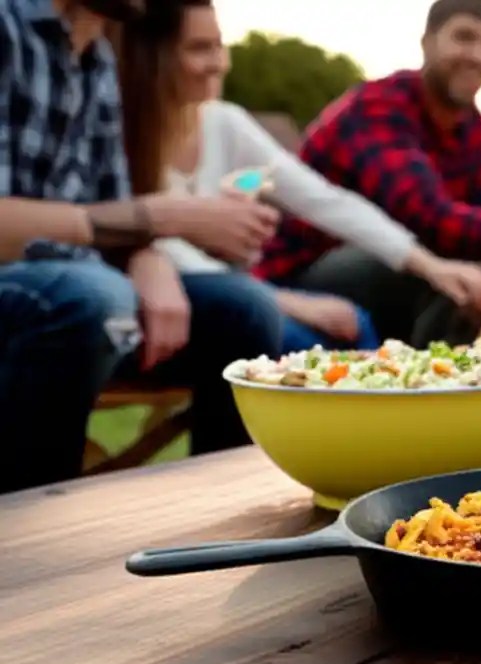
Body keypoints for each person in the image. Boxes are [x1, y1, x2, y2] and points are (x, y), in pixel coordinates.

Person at [0, 0, 282, 491]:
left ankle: (214, 527)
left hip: (85, 294)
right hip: (44, 296)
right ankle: (29, 539)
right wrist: (164, 216)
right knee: (91, 296)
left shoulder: (97, 60)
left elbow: (114, 211)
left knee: (245, 307)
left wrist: (147, 257)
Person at [112, 0, 481, 353]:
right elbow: (157, 246)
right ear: (152, 54)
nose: (221, 62)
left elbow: (324, 200)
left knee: (353, 323)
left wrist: (431, 265)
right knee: (288, 336)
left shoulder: (223, 122)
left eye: (219, 44)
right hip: (162, 302)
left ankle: (383, 424)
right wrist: (287, 301)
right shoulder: (117, 133)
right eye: (199, 48)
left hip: (239, 293)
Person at [255, 0, 481, 348]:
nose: (478, 55)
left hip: (409, 258)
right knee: (445, 269)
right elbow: (430, 218)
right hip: (306, 274)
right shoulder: (377, 107)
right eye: (463, 37)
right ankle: (429, 392)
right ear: (427, 43)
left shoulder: (469, 124)